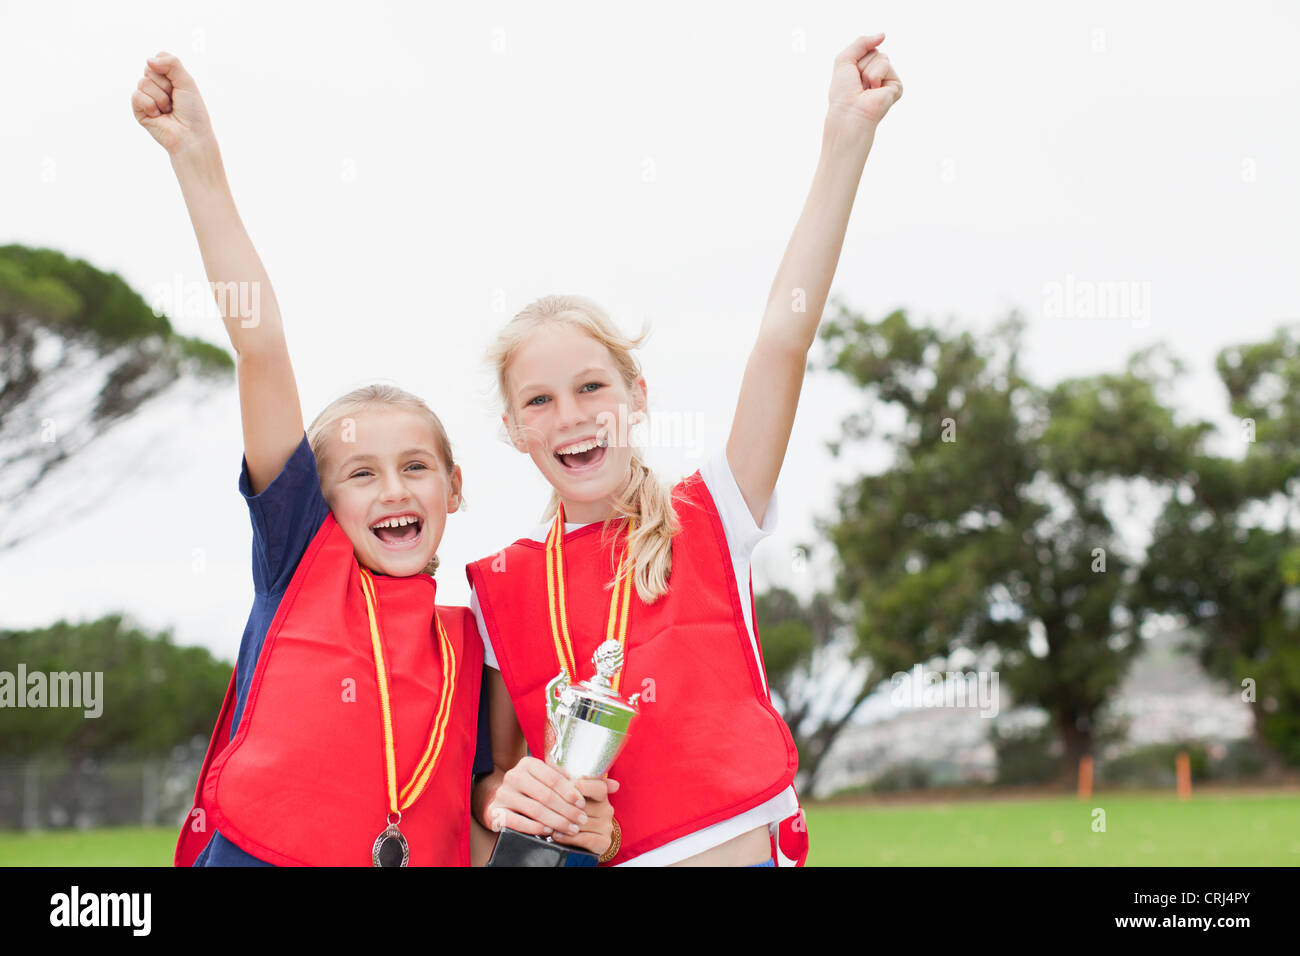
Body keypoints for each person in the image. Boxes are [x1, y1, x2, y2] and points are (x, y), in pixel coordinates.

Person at [467, 34, 903, 866]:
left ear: (636, 399)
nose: (572, 418)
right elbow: (489, 781)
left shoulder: (714, 514)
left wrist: (846, 140)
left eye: (593, 387)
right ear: (515, 430)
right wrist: (504, 795)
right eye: (540, 401)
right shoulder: (500, 586)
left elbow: (783, 337)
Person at [132, 52, 491, 866]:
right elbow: (260, 345)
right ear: (315, 498)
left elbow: (484, 802)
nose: (392, 489)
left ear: (455, 487)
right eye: (360, 474)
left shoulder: (475, 640)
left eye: (415, 467)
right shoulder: (301, 557)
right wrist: (197, 158)